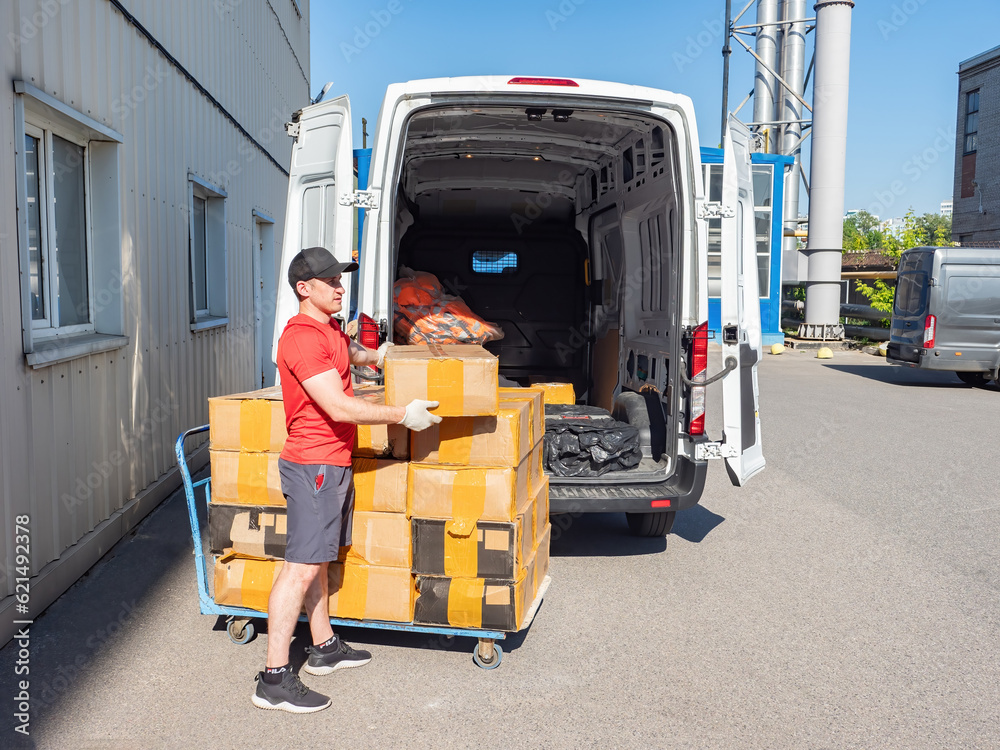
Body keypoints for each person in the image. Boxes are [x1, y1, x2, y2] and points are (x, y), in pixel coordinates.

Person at [252, 246, 441, 713]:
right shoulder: (299, 338)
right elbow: (336, 406)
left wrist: (378, 356)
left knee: (318, 561)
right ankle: (273, 679)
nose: (341, 287)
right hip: (313, 465)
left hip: (333, 461)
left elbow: (347, 351)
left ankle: (324, 647)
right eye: (331, 281)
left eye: (342, 279)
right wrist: (403, 414)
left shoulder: (329, 328)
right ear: (304, 288)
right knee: (299, 566)